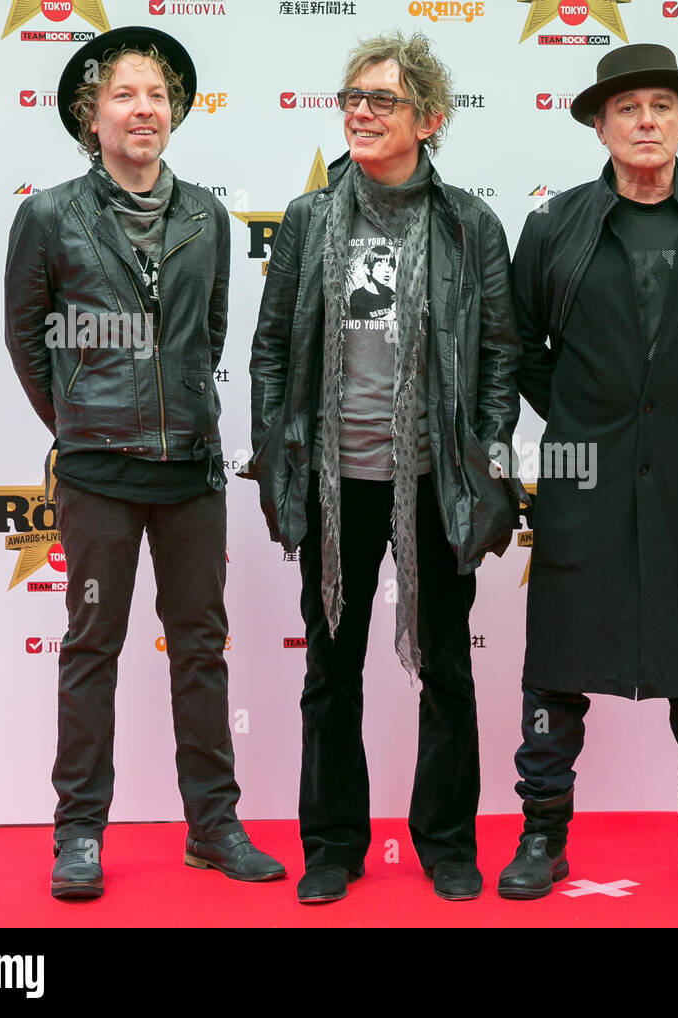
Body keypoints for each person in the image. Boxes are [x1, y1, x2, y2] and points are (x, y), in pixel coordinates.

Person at [4, 26, 284, 900]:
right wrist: (84, 421)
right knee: (92, 649)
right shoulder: (49, 215)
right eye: (125, 95)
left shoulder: (208, 215)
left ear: (175, 112)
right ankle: (78, 831)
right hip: (97, 478)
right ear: (92, 117)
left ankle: (214, 824)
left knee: (200, 650)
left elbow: (208, 337)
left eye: (156, 96)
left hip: (191, 474)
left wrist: (173, 417)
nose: (143, 110)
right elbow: (29, 339)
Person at [243, 30, 523, 905]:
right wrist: (283, 459)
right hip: (336, 484)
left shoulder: (469, 223)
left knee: (446, 665)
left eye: (383, 100)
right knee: (331, 670)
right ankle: (331, 844)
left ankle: (445, 842)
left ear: (429, 120)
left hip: (436, 482)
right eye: (353, 99)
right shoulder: (308, 218)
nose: (361, 113)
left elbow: (500, 357)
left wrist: (484, 458)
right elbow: (272, 349)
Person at [499, 44, 678, 900]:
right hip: (586, 481)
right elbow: (523, 349)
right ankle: (542, 833)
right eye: (628, 109)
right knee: (556, 665)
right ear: (599, 126)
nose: (646, 121)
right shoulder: (556, 226)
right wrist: (589, 423)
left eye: (661, 106)